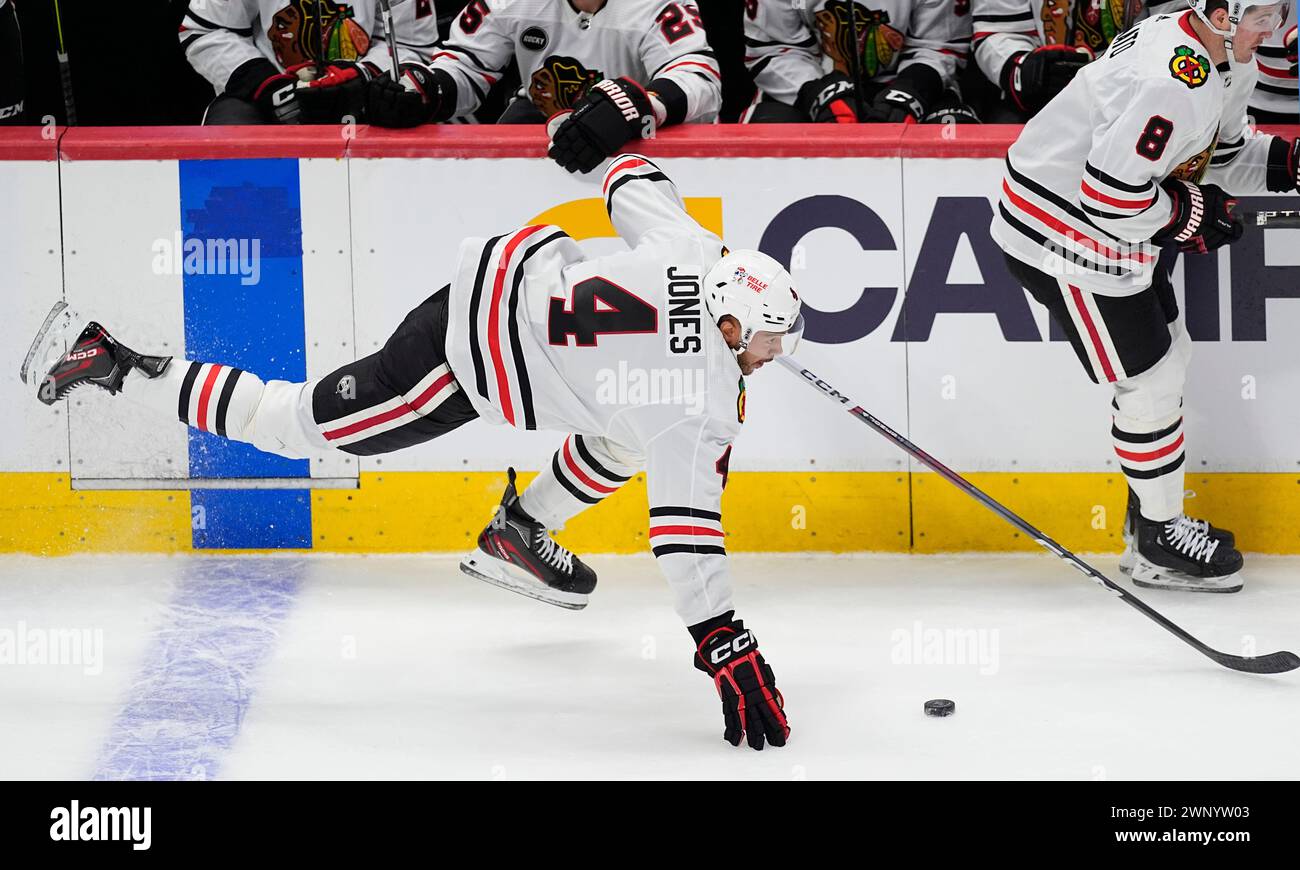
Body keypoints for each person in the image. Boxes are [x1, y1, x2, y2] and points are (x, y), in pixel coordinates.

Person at [33, 154, 798, 751]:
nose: (774, 355)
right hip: (454, 365)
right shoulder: (694, 408)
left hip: (500, 282)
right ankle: (113, 364)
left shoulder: (699, 249)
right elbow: (688, 535)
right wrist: (722, 638)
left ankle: (520, 532)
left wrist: (604, 129)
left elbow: (632, 179)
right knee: (294, 422)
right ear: (730, 324)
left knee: (625, 436)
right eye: (768, 340)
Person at [991, 1, 1300, 592]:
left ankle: (1147, 524)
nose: (1278, 28)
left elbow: (1224, 161)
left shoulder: (1228, 60)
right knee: (1150, 381)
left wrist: (1290, 163)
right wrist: (1187, 215)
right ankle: (1160, 539)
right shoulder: (1172, 78)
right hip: (1065, 237)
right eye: (1263, 14)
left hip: (1111, 232)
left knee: (1169, 359)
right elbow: (1110, 197)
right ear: (1222, 14)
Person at [363, 0, 722, 174]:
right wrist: (425, 90)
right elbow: (466, 64)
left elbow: (700, 78)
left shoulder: (656, 4)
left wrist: (642, 104)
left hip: (633, 139)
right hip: (543, 126)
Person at [179, 0, 440, 125]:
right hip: (268, 104)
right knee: (231, 127)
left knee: (408, 109)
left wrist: (362, 78)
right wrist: (268, 86)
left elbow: (411, 44)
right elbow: (206, 31)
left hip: (366, 101)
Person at [740, 0, 977, 123]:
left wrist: (913, 89)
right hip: (808, 84)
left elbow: (939, 45)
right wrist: (817, 92)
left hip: (905, 82)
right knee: (768, 135)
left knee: (952, 128)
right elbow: (773, 47)